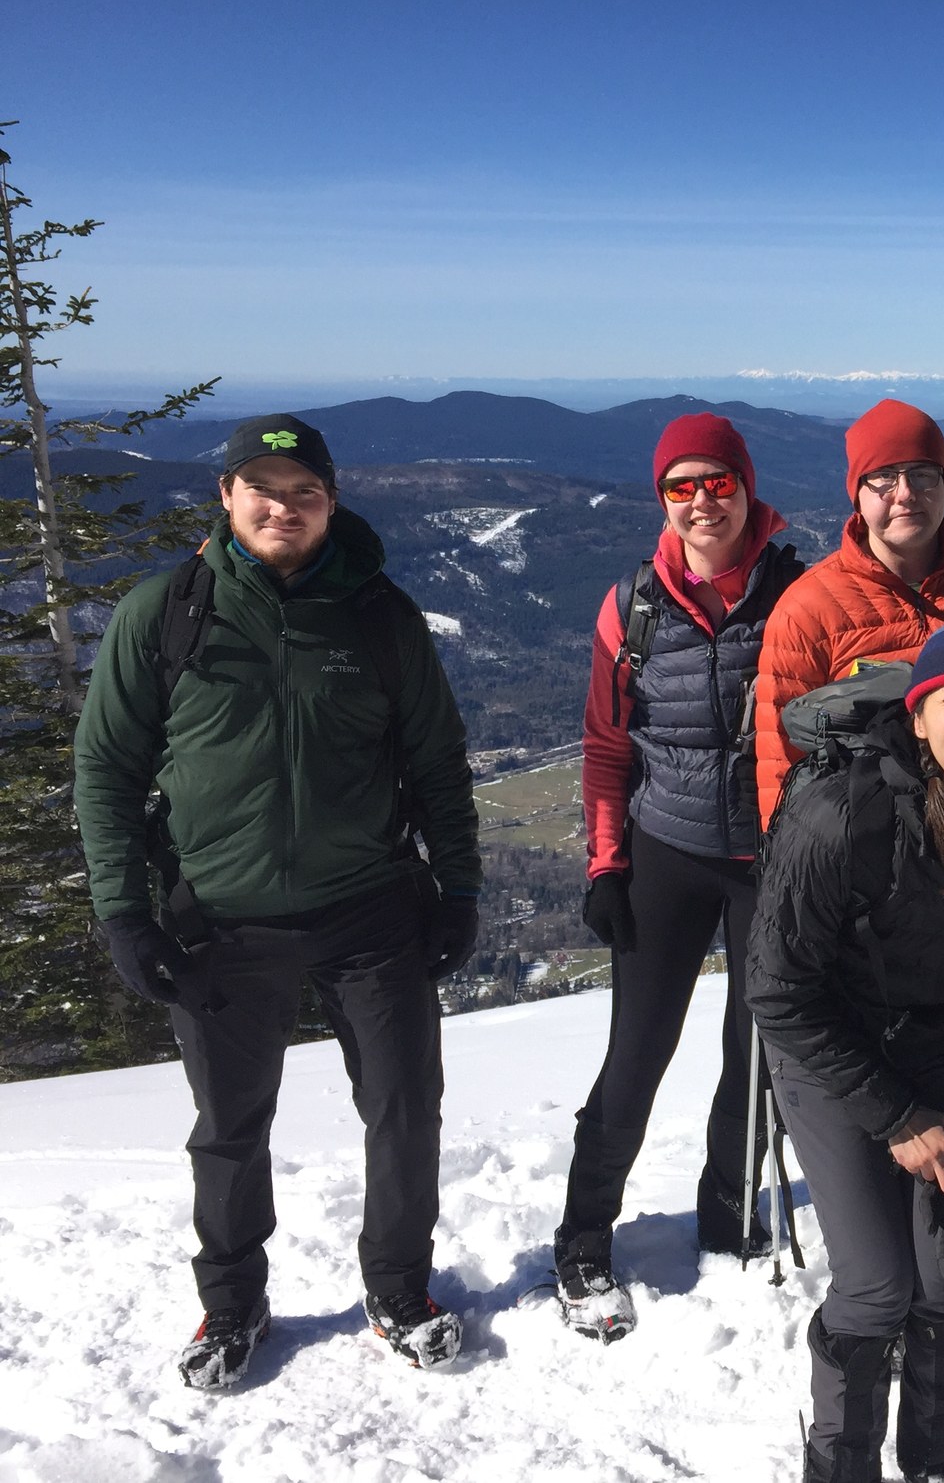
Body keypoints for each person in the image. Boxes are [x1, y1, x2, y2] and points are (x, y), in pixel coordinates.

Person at [73, 414, 481, 1388]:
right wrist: (125, 911)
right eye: (261, 487)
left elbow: (435, 763)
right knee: (229, 1126)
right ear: (225, 497)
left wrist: (458, 886)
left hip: (370, 909)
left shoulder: (378, 616)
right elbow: (107, 771)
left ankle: (397, 1288)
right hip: (221, 919)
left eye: (303, 492)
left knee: (405, 1108)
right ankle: (230, 1305)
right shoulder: (164, 614)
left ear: (331, 504)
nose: (281, 506)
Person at [746, 615, 944, 1483]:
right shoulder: (840, 814)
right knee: (879, 1285)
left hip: (942, 1044)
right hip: (828, 1049)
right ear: (918, 716)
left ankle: (940, 1460)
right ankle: (841, 1465)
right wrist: (893, 1115)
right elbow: (778, 989)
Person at [555, 413, 804, 1340]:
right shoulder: (634, 606)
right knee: (638, 1050)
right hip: (667, 851)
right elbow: (606, 743)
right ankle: (584, 1236)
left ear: (746, 486)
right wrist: (606, 861)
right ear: (662, 498)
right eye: (681, 486)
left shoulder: (799, 591)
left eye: (718, 482)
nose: (703, 501)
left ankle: (730, 1217)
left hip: (772, 863)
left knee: (759, 1052)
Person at [752, 398, 944, 828]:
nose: (905, 494)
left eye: (922, 474)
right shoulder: (807, 609)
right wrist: (789, 857)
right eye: (883, 477)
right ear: (857, 495)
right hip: (865, 846)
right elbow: (779, 757)